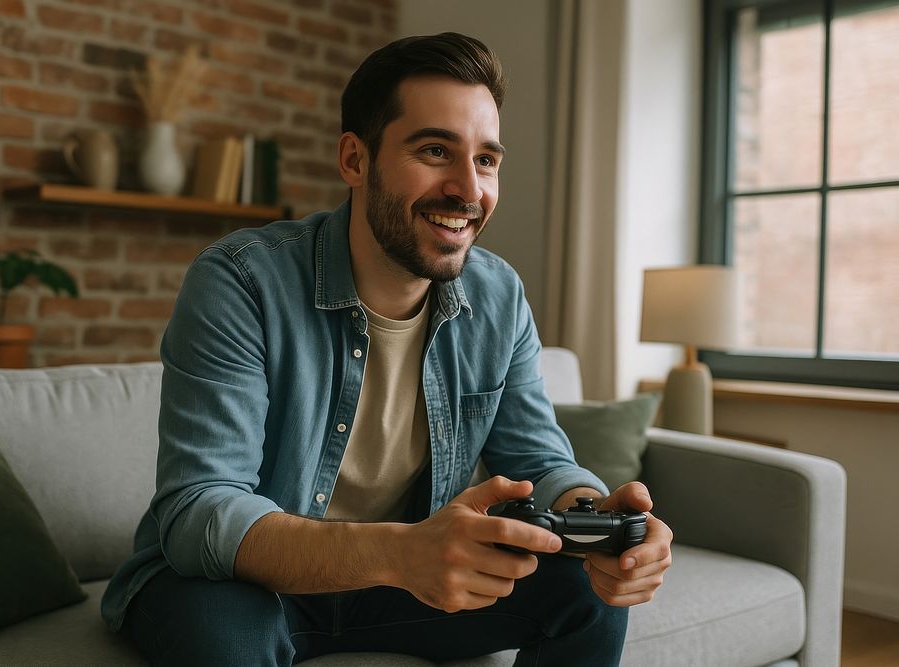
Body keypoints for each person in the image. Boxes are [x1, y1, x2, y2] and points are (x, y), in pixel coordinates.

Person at [102, 32, 672, 666]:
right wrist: (401, 553)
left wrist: (595, 522)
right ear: (355, 159)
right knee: (230, 636)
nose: (467, 189)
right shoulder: (240, 281)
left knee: (587, 593)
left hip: (401, 587)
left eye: (486, 160)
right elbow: (200, 509)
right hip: (246, 585)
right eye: (435, 150)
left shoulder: (499, 295)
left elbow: (539, 460)